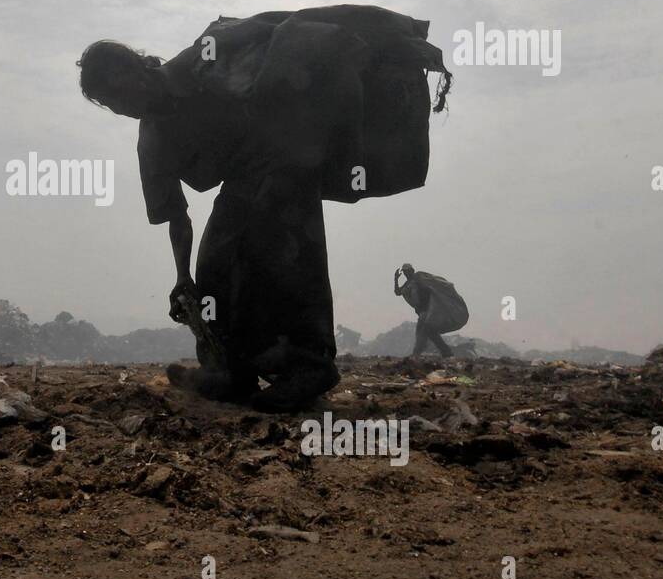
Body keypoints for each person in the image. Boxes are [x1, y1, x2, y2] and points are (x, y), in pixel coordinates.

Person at [76, 31, 342, 412]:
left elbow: (271, 43)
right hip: (241, 182)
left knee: (277, 250)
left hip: (284, 159)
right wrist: (183, 277)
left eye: (119, 92)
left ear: (135, 68)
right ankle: (229, 368)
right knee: (213, 267)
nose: (121, 107)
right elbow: (176, 215)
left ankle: (310, 366)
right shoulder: (152, 142)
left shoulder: (202, 63)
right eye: (110, 104)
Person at [394, 263, 468, 357]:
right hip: (422, 312)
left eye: (407, 271)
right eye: (405, 272)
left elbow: (434, 284)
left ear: (412, 270)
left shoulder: (419, 277)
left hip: (430, 311)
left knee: (425, 331)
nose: (406, 273)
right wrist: (396, 279)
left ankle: (419, 354)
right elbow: (398, 292)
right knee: (427, 332)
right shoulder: (408, 283)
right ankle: (444, 352)